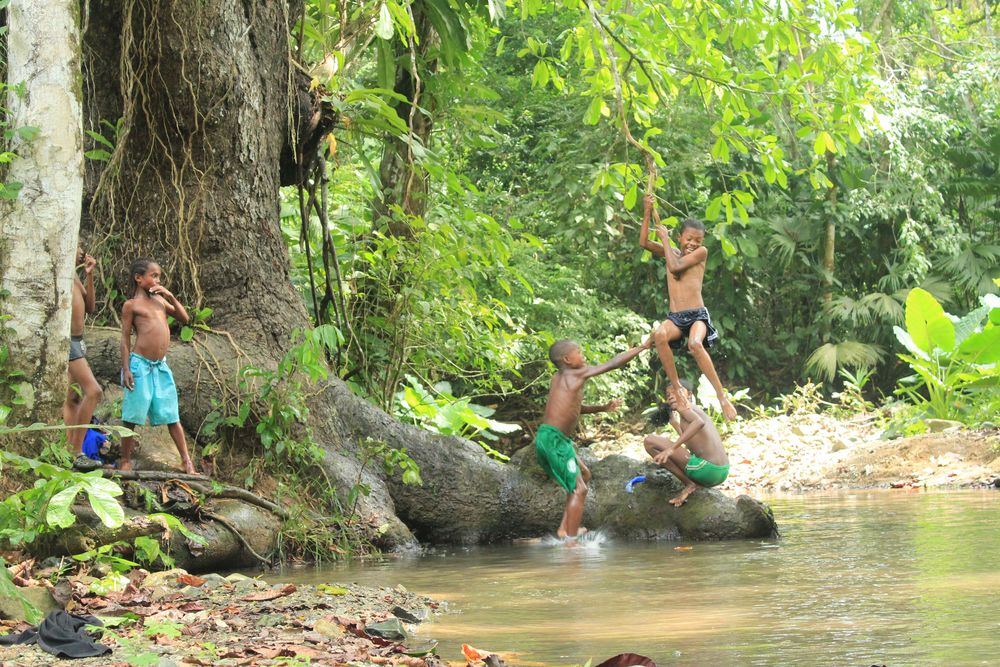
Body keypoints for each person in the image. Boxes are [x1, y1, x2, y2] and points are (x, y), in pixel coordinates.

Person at [537, 337, 652, 540]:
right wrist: (642, 347)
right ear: (567, 359)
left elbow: (573, 407)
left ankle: (564, 529)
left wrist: (602, 408)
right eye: (579, 352)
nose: (583, 356)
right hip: (555, 441)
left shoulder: (558, 378)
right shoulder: (578, 373)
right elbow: (612, 364)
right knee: (579, 489)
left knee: (585, 475)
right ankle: (571, 542)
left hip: (551, 438)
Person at [638, 194, 737, 421]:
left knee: (695, 344)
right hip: (676, 317)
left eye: (697, 240)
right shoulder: (671, 251)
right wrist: (646, 211)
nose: (693, 244)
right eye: (689, 239)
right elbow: (643, 242)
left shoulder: (701, 254)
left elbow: (674, 268)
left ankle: (722, 397)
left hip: (697, 316)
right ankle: (678, 389)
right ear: (679, 236)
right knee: (659, 334)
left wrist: (664, 239)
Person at [119, 258, 196, 474]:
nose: (158, 280)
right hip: (139, 365)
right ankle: (125, 459)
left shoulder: (161, 302)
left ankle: (186, 462)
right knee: (132, 414)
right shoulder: (131, 305)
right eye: (154, 276)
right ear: (138, 278)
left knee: (172, 413)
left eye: (159, 276)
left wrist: (169, 295)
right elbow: (125, 338)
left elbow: (184, 318)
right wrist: (126, 368)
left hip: (160, 366)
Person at [643, 385, 729, 507]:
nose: (672, 396)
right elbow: (690, 441)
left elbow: (699, 422)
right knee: (660, 444)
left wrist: (671, 449)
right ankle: (695, 483)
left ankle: (689, 484)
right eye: (668, 394)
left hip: (708, 470)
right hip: (721, 472)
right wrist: (674, 423)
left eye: (677, 392)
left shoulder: (686, 407)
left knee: (649, 441)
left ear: (689, 394)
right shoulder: (691, 411)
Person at [64, 248, 104, 470]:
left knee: (71, 398)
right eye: (78, 247)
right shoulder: (61, 273)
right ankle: (76, 451)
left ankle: (68, 451)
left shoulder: (74, 275)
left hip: (78, 340)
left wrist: (89, 275)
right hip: (68, 342)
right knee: (93, 391)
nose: (81, 252)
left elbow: (90, 307)